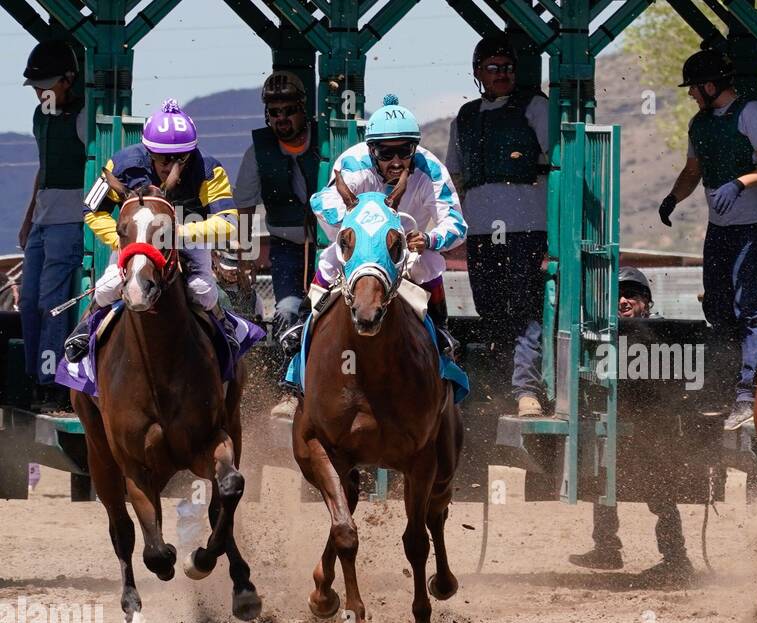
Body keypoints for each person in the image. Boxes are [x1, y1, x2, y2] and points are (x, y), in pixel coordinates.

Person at [659, 50, 757, 431]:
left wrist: (739, 181)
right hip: (720, 228)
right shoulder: (699, 124)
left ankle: (748, 392)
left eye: (694, 88)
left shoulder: (752, 113)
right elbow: (693, 170)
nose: (692, 94)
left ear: (711, 86)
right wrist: (673, 197)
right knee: (717, 305)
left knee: (750, 306)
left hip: (754, 226)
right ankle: (728, 385)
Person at [67, 98, 237, 362]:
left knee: (202, 290)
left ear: (191, 152)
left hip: (187, 235)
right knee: (108, 286)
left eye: (180, 158)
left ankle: (225, 331)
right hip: (137, 241)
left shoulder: (209, 170)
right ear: (149, 152)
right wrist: (122, 238)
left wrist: (176, 234)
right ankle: (83, 329)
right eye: (162, 158)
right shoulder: (121, 165)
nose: (170, 166)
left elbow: (228, 222)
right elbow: (92, 210)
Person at [294, 94, 466, 355]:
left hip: (405, 248)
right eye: (386, 152)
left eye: (405, 150)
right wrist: (353, 224)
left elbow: (456, 224)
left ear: (415, 148)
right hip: (361, 248)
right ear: (372, 150)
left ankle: (442, 331)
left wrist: (430, 239)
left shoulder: (431, 169)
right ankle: (302, 327)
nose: (396, 161)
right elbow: (323, 200)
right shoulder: (353, 163)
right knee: (331, 258)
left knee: (429, 261)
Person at [445, 36, 550, 418]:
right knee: (491, 310)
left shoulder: (536, 107)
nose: (502, 73)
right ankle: (503, 387)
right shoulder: (465, 117)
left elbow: (559, 161)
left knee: (524, 307)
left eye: (507, 67)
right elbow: (453, 176)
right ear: (477, 73)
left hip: (527, 227)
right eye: (493, 67)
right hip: (479, 231)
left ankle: (526, 390)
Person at [568, 267, 692, 576]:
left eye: (631, 296)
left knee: (661, 494)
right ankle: (607, 550)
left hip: (656, 431)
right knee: (604, 481)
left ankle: (676, 559)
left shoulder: (665, 333)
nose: (623, 302)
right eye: (617, 297)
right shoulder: (598, 337)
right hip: (617, 427)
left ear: (646, 303)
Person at [233, 70, 320, 419]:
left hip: (327, 249)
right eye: (275, 113)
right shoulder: (257, 152)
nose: (282, 119)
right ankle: (289, 392)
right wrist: (244, 257)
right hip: (286, 248)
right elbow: (243, 207)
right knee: (286, 311)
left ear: (303, 109)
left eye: (288, 110)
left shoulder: (327, 139)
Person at [18, 40, 86, 411]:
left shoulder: (83, 116)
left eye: (46, 83)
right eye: (37, 85)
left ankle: (53, 384)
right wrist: (29, 216)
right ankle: (33, 377)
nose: (41, 91)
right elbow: (43, 167)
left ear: (69, 80)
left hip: (69, 224)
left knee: (51, 304)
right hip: (43, 224)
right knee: (28, 302)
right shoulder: (40, 116)